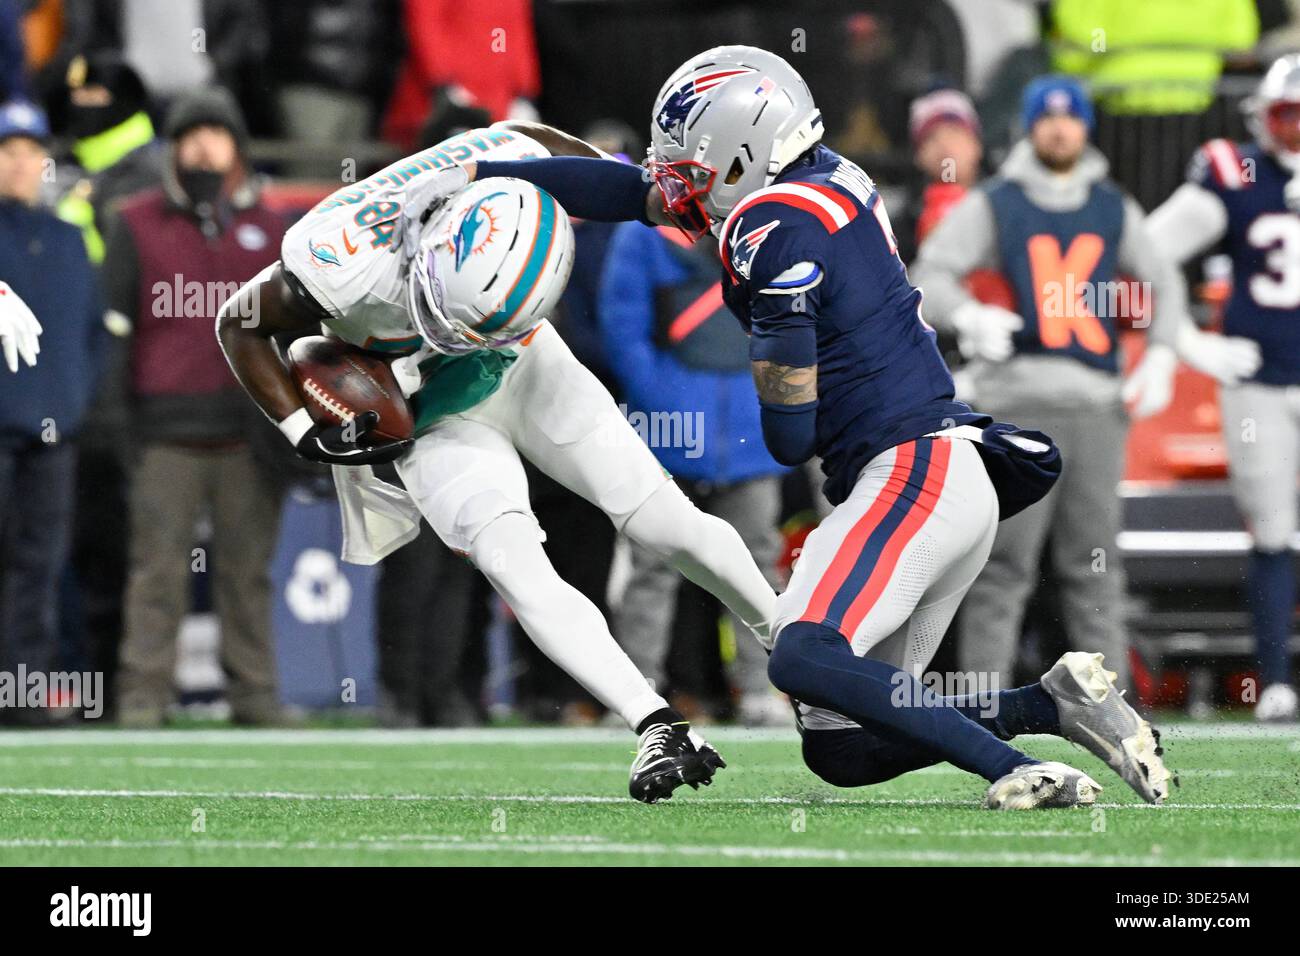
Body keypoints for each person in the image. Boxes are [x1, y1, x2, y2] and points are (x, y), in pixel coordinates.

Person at [453, 46, 1172, 809]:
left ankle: (1013, 768)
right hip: (944, 479)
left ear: (744, 152)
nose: (675, 186)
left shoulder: (769, 224)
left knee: (801, 655)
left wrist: (774, 345)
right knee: (845, 747)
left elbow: (790, 435)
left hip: (910, 474)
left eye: (691, 167)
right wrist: (483, 179)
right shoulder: (822, 174)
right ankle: (1051, 705)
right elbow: (631, 191)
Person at [214, 123, 779, 803]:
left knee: (662, 521)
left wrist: (646, 194)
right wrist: (304, 430)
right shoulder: (341, 255)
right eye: (455, 320)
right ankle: (656, 723)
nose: (460, 340)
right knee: (516, 563)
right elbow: (238, 322)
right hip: (426, 409)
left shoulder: (516, 179)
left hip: (525, 363)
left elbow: (557, 152)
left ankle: (796, 646)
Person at [912, 76, 1254, 696]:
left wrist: (1161, 353)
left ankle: (1113, 709)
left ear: (1087, 127)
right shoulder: (997, 201)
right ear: (1030, 126)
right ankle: (983, 706)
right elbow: (930, 272)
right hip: (1015, 401)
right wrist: (968, 314)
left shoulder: (1109, 204)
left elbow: (1164, 280)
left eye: (1070, 119)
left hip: (1096, 405)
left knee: (1094, 568)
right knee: (1002, 567)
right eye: (1048, 119)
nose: (1060, 130)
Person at [108, 88, 289, 727]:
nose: (203, 147)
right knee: (156, 576)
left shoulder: (274, 229)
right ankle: (141, 697)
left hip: (249, 434)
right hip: (165, 434)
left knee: (248, 577)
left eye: (216, 133)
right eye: (190, 135)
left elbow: (293, 336)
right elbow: (114, 333)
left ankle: (257, 697)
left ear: (237, 146)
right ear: (172, 150)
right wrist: (118, 430)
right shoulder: (132, 222)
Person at [1141, 54, 1300, 721]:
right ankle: (1275, 683)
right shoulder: (1237, 173)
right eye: (1287, 115)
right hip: (1259, 380)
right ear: (1262, 117)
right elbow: (1145, 251)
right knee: (1272, 530)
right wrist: (1188, 342)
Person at [599, 222, 788, 724]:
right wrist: (662, 402)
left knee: (756, 564)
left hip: (749, 423)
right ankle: (636, 695)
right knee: (653, 563)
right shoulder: (644, 230)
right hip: (675, 424)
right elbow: (622, 329)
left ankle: (762, 691)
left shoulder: (768, 223)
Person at [0, 99, 104, 722]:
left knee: (40, 565)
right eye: (8, 151)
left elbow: (94, 330)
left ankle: (21, 692)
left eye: (32, 151)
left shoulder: (69, 238)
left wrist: (72, 402)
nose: (22, 162)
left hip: (52, 433)